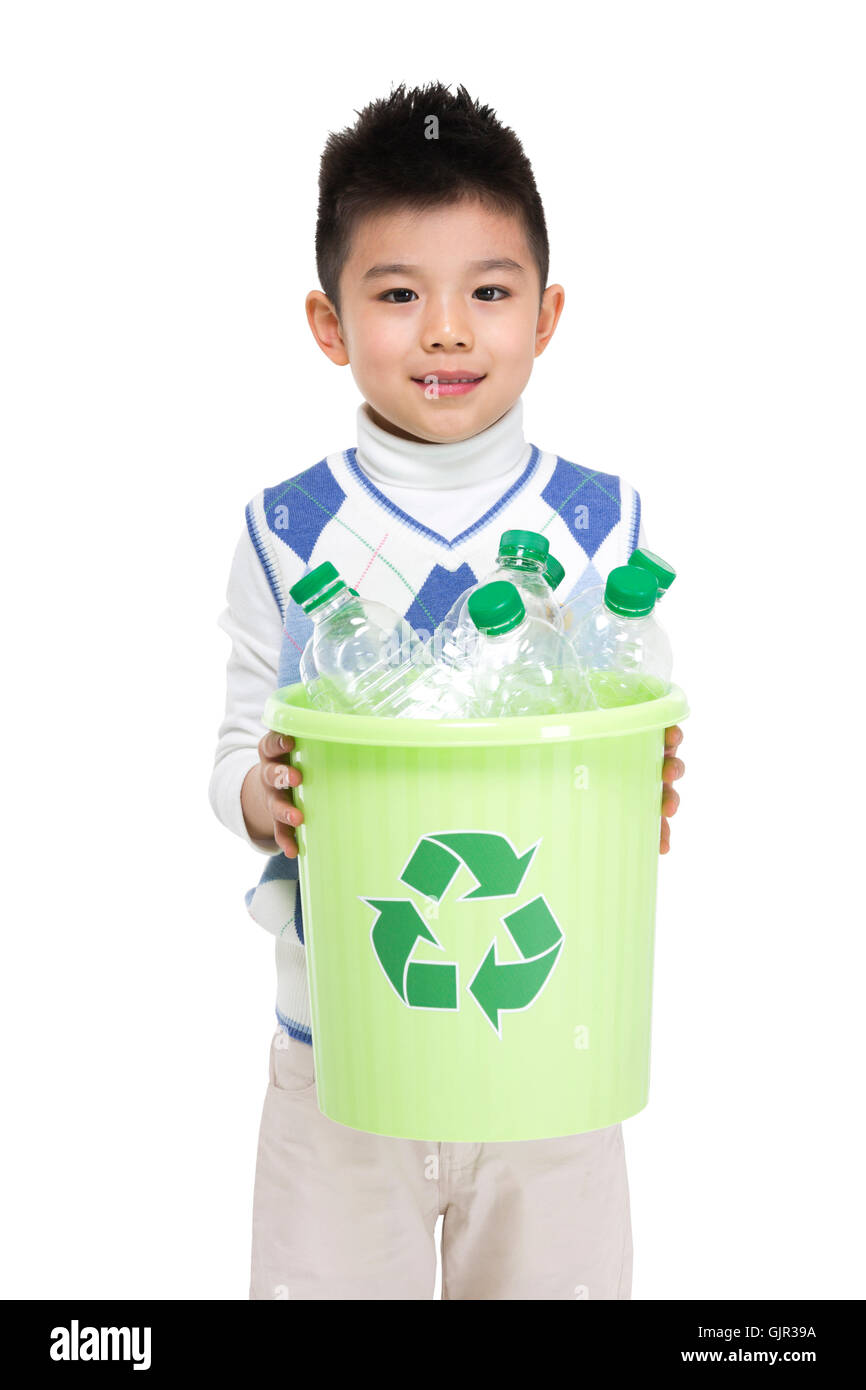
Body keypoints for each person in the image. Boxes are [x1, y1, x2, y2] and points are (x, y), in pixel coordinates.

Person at [209, 83, 686, 1300]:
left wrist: (648, 786)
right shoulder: (285, 529)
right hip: (341, 1058)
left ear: (546, 312)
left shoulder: (597, 524)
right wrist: (265, 797)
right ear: (329, 323)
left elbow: (630, 728)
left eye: (487, 290)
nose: (445, 332)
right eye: (396, 294)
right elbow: (231, 760)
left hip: (550, 1050)